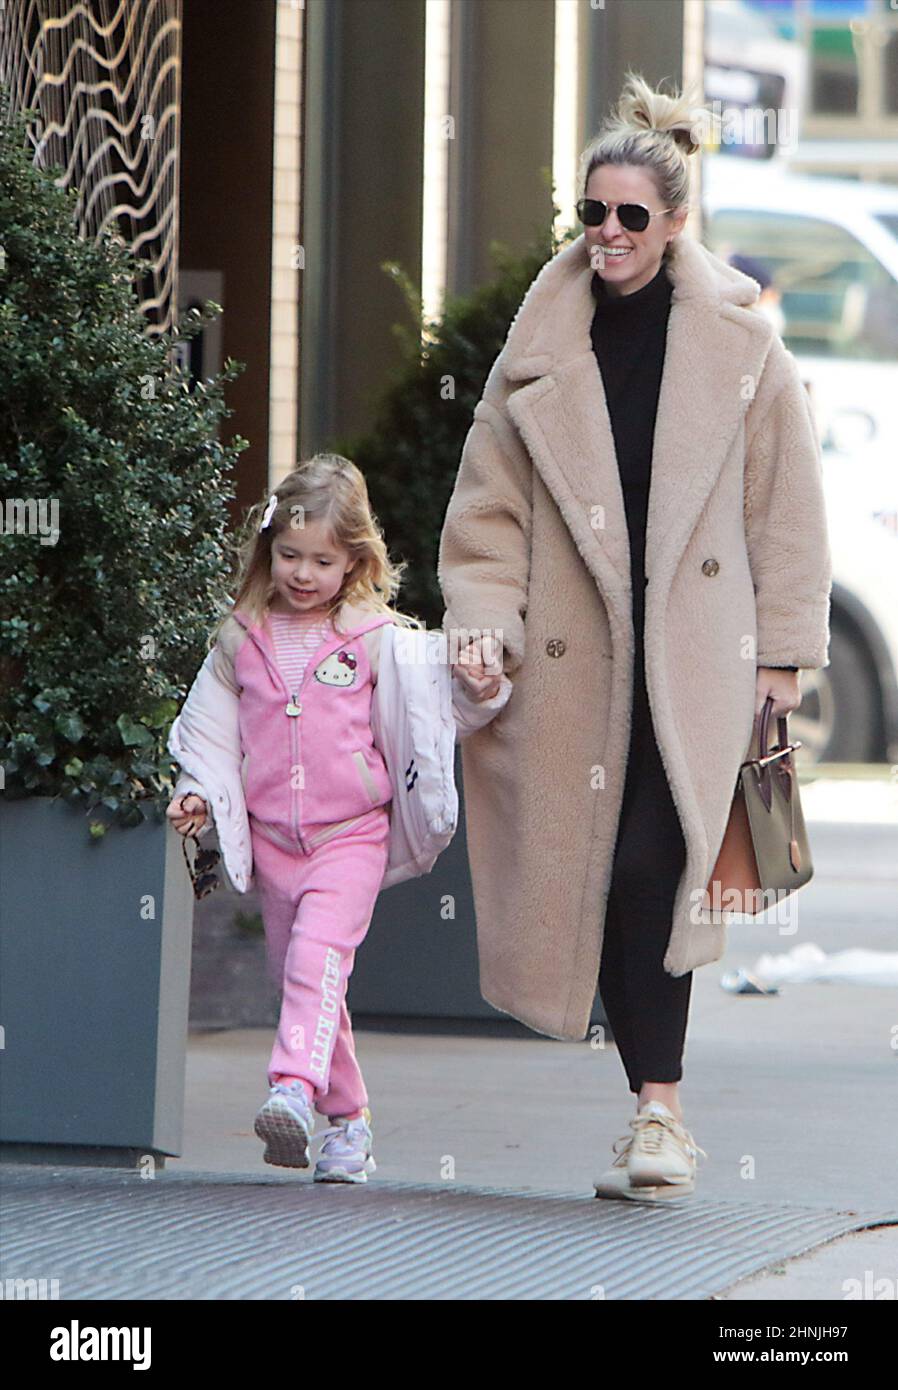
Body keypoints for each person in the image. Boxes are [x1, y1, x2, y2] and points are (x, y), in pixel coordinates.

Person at [438, 74, 831, 1201]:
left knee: (665, 864)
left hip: (694, 664)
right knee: (601, 868)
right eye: (590, 216)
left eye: (629, 218)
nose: (606, 236)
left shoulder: (744, 348)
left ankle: (661, 1115)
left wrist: (782, 658)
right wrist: (483, 622)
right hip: (572, 660)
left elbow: (785, 510)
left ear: (673, 223)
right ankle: (644, 1102)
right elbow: (485, 515)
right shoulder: (535, 352)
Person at [167, 454, 509, 1183]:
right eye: (289, 555)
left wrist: (481, 686)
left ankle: (290, 1086)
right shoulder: (241, 639)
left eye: (322, 559)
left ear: (354, 559)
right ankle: (349, 1126)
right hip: (274, 844)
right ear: (267, 549)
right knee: (314, 978)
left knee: (315, 962)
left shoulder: (376, 637)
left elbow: (439, 708)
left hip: (352, 834)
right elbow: (209, 732)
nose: (302, 572)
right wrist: (199, 792)